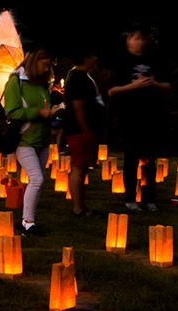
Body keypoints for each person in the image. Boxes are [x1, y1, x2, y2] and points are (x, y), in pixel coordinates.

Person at [107, 26, 171, 212]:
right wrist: (133, 86)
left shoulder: (154, 61)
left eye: (142, 39)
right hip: (130, 116)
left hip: (151, 116)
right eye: (136, 38)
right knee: (131, 159)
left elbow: (168, 86)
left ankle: (150, 197)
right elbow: (111, 91)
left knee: (150, 159)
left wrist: (155, 83)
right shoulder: (121, 63)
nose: (140, 42)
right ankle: (130, 198)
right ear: (128, 40)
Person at [3, 48, 62, 234]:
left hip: (42, 139)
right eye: (45, 65)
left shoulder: (42, 84)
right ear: (34, 62)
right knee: (37, 179)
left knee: (36, 181)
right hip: (24, 140)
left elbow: (44, 106)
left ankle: (28, 220)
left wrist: (52, 111)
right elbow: (12, 112)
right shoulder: (16, 82)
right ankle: (28, 223)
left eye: (49, 66)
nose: (47, 69)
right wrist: (39, 112)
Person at [64, 45, 107, 216]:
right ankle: (78, 207)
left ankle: (82, 205)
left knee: (83, 168)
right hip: (80, 130)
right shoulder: (77, 78)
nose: (95, 59)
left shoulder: (82, 76)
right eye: (93, 55)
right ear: (85, 58)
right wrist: (85, 129)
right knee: (79, 167)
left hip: (86, 129)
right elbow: (78, 106)